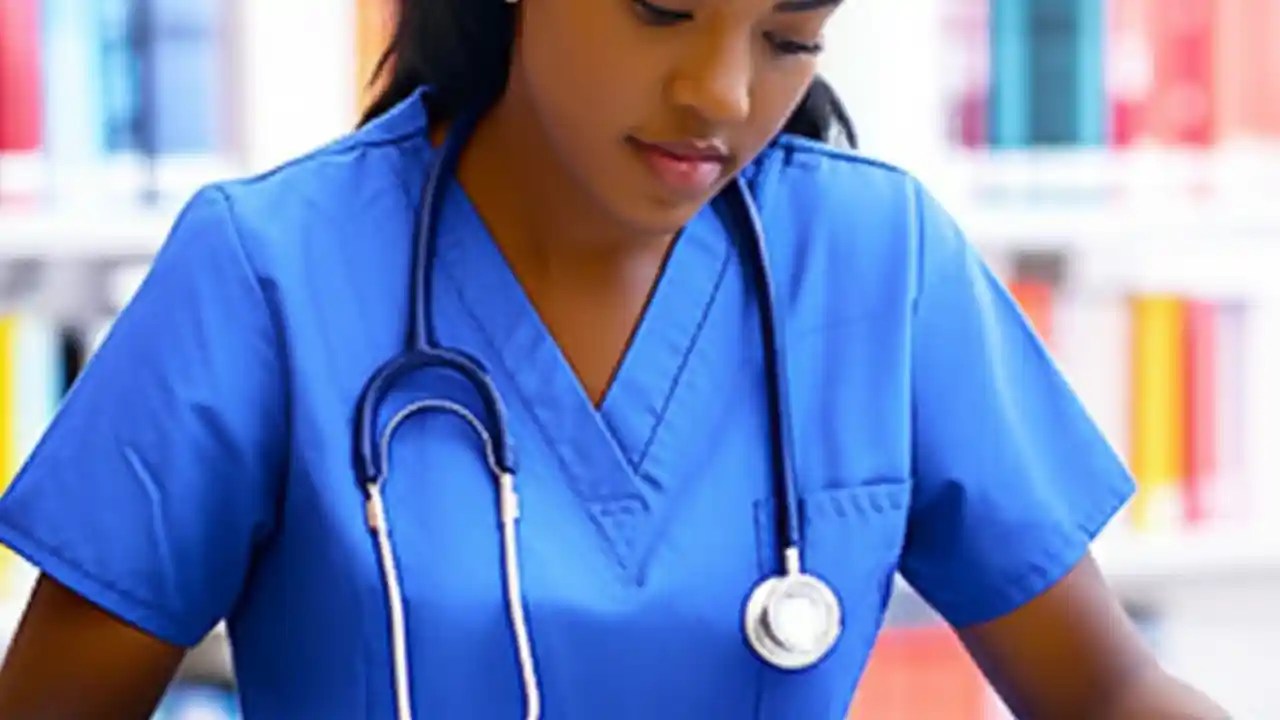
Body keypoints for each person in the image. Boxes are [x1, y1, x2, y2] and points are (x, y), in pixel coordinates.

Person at [0, 0, 1230, 718]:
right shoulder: (268, 272)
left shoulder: (875, 263)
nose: (719, 93)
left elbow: (1106, 695)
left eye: (787, 35)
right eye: (658, 10)